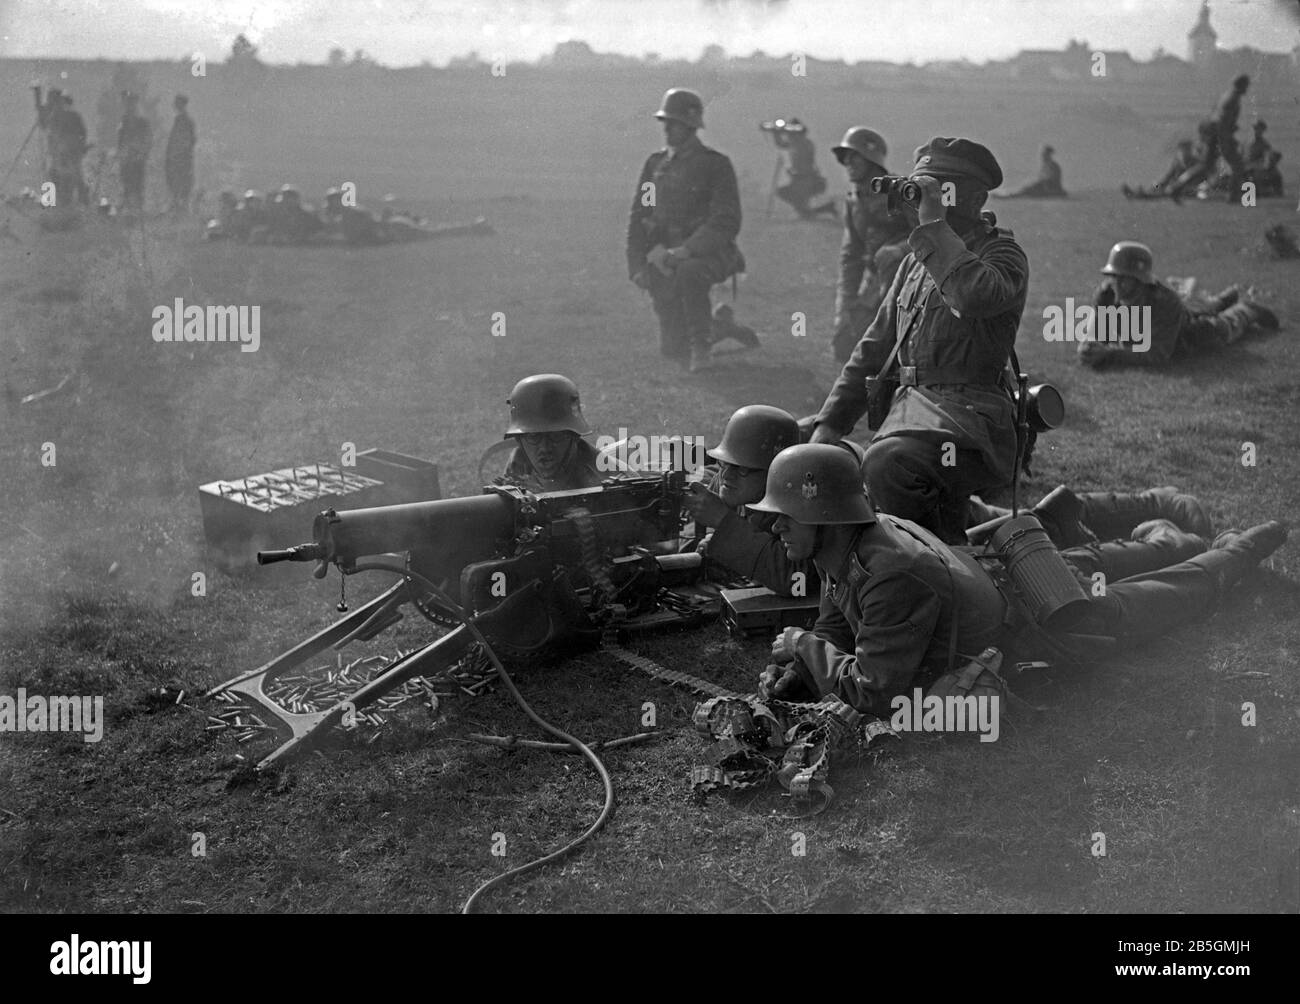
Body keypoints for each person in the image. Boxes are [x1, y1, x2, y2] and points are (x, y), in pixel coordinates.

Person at [748, 444, 1288, 714]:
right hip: (1012, 574)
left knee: (1177, 596)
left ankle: (1240, 548)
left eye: (785, 516)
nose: (775, 527)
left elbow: (876, 689)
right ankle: (1172, 540)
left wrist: (801, 646)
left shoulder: (889, 572)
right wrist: (807, 666)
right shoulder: (848, 539)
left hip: (1048, 629)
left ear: (824, 519)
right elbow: (836, 627)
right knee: (1115, 568)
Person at [810, 136, 1027, 545]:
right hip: (913, 416)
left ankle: (925, 566)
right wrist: (829, 423)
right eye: (921, 187)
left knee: (889, 464)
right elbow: (874, 348)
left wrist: (933, 227)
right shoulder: (915, 261)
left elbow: (971, 295)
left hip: (972, 426)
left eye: (939, 189)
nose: (925, 198)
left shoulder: (1003, 255)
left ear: (977, 197)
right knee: (791, 439)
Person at [626, 88, 748, 373]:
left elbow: (725, 221)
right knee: (672, 349)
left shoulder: (715, 165)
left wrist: (687, 249)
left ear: (691, 125)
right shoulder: (655, 166)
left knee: (690, 270)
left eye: (674, 122)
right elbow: (640, 216)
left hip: (710, 253)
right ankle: (719, 327)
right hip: (666, 259)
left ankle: (701, 346)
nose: (667, 128)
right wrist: (637, 265)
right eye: (665, 122)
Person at [1077, 242, 1278, 369]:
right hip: (1178, 313)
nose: (1117, 284)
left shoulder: (1163, 302)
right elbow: (1096, 336)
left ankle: (1247, 308)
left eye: (1125, 279)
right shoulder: (1106, 294)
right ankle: (1225, 298)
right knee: (1204, 305)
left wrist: (1111, 354)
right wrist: (1088, 348)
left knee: (1223, 327)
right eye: (1114, 277)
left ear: (1141, 280)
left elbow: (1157, 354)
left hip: (1185, 334)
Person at [681, 405, 813, 595]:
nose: (727, 474)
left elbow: (797, 582)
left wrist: (724, 523)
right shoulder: (726, 483)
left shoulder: (801, 507)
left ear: (775, 472)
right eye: (725, 462)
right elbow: (689, 550)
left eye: (742, 468)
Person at [830, 126, 913, 363]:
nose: (849, 164)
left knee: (889, 344)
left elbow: (930, 233)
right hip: (875, 281)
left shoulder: (899, 191)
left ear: (871, 159)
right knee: (845, 344)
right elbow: (850, 256)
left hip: (910, 278)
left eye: (855, 157)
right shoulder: (853, 200)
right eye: (845, 158)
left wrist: (899, 250)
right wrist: (843, 308)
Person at [499, 374, 603, 493]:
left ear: (574, 437)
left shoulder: (603, 478)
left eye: (555, 436)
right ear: (519, 440)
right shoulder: (517, 468)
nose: (545, 448)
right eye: (534, 437)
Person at [771, 119, 836, 219]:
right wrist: (776, 133)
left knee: (797, 201)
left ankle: (819, 210)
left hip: (807, 180)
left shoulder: (804, 144)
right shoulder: (797, 143)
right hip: (800, 179)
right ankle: (824, 208)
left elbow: (804, 162)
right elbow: (781, 144)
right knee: (797, 203)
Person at [1123, 139, 1197, 200]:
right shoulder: (1177, 162)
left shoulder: (1194, 161)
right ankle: (1144, 192)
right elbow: (1169, 176)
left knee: (1166, 190)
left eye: (1186, 149)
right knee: (1156, 185)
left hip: (1187, 188)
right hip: (1174, 185)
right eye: (1182, 150)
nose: (1184, 152)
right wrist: (1160, 184)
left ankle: (1143, 195)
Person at [116, 92, 152, 214]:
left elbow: (147, 140)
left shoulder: (142, 123)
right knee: (126, 184)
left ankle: (138, 211)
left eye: (131, 104)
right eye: (127, 104)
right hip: (126, 159)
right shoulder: (123, 121)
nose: (129, 107)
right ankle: (128, 209)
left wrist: (141, 153)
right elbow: (120, 141)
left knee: (137, 185)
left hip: (137, 159)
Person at [164, 94, 196, 214]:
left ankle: (182, 209)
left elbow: (188, 142)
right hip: (177, 160)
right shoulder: (178, 121)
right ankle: (177, 207)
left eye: (178, 104)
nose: (176, 106)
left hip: (182, 160)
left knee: (182, 185)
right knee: (176, 185)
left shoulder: (186, 122)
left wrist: (177, 154)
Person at [999, 144, 1066, 199]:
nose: (1042, 156)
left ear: (1048, 155)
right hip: (1043, 188)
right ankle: (1009, 195)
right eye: (1042, 154)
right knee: (1026, 189)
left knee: (1027, 190)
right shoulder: (1045, 166)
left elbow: (1052, 181)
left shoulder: (1053, 166)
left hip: (1051, 190)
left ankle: (1009, 196)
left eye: (1044, 154)